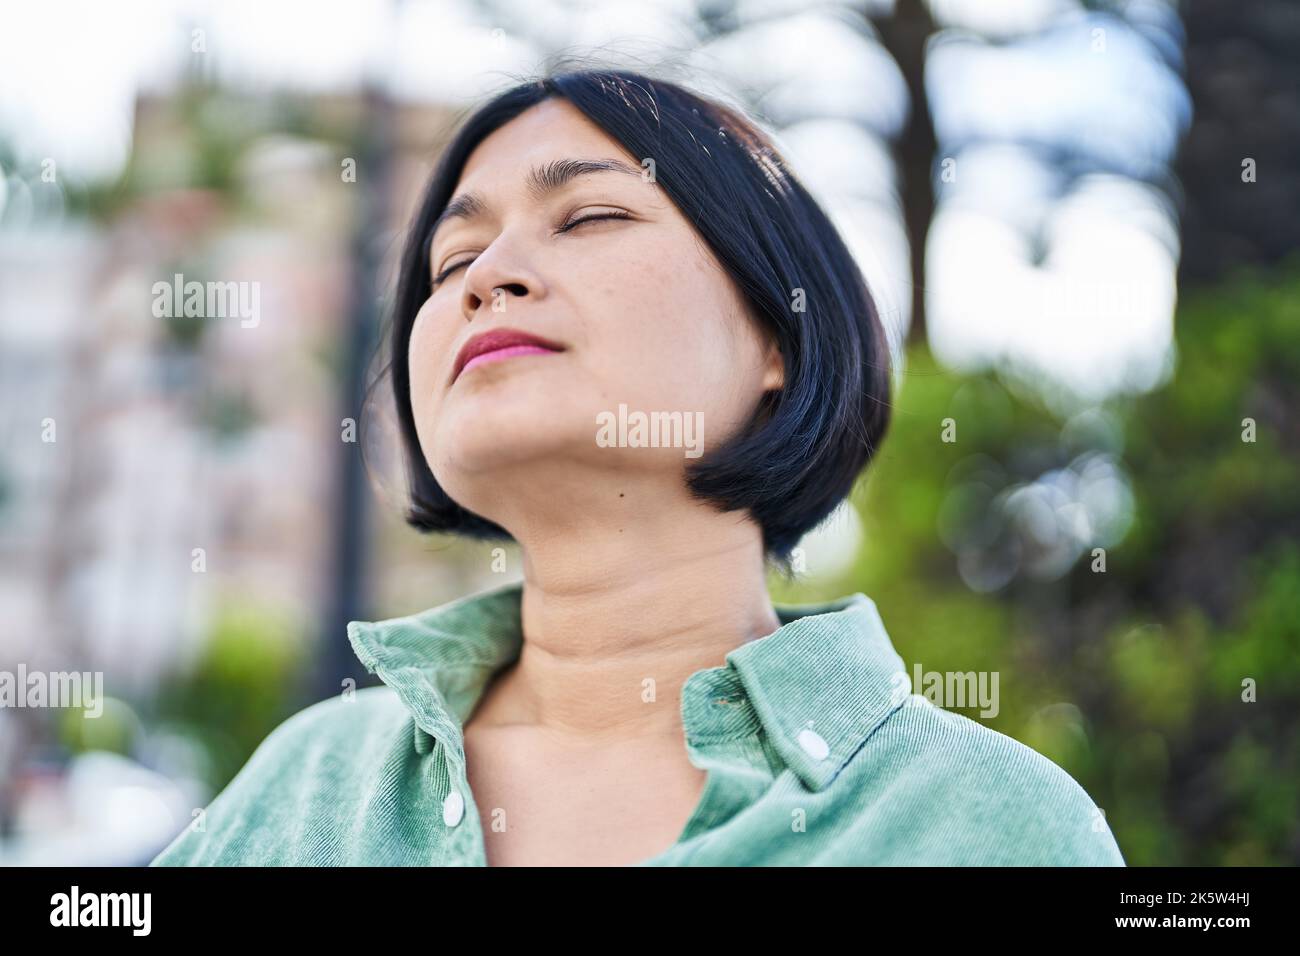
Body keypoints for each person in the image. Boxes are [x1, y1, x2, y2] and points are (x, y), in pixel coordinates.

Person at [151, 66, 1125, 867]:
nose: (487, 276)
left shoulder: (996, 830)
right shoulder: (302, 787)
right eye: (452, 264)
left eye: (588, 218)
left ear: (776, 334)